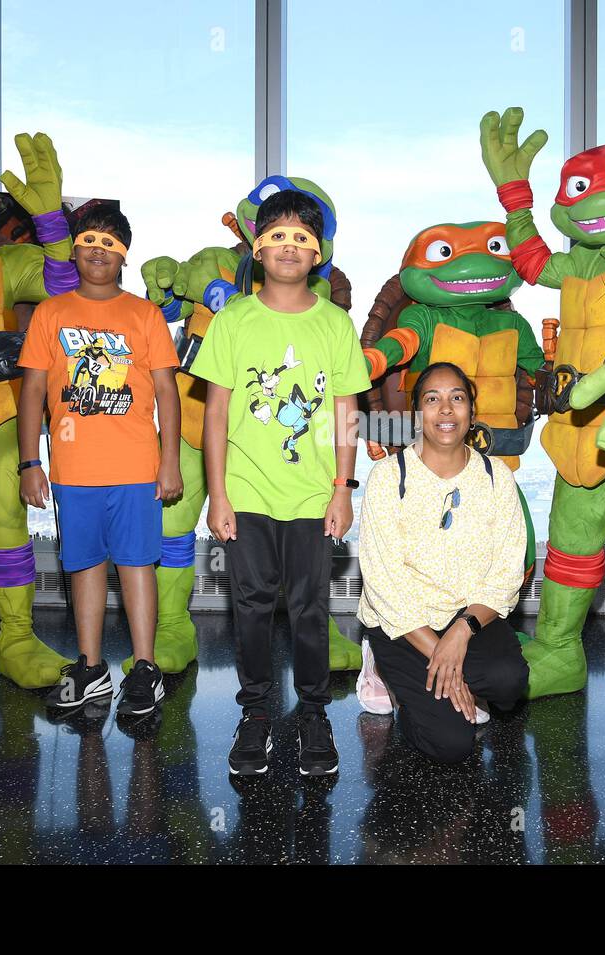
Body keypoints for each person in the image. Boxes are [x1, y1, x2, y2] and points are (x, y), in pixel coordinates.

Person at [191, 189, 371, 777]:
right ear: (256, 248)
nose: (289, 247)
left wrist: (343, 487)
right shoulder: (233, 320)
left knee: (310, 610)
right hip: (246, 493)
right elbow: (214, 412)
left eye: (301, 237)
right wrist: (217, 493)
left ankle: (314, 712)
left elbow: (347, 410)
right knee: (250, 607)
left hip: (314, 495)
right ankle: (256, 714)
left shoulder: (335, 323)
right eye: (277, 237)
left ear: (318, 253)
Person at [17, 206, 183, 718]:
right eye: (89, 240)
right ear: (74, 248)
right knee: (83, 566)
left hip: (136, 468)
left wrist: (169, 460)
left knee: (138, 565)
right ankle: (89, 669)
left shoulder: (143, 314)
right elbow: (33, 391)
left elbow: (166, 391)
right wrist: (30, 462)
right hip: (74, 470)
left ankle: (144, 668)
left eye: (110, 243)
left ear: (124, 256)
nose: (97, 250)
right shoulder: (51, 314)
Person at [356, 362, 530, 764]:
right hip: (405, 626)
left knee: (509, 684)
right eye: (432, 399)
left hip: (468, 621)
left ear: (471, 410)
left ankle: (454, 688)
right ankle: (384, 669)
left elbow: (506, 572)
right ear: (417, 413)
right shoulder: (388, 477)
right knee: (452, 746)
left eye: (457, 398)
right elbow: (384, 583)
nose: (446, 409)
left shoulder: (496, 477)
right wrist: (442, 657)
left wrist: (461, 633)